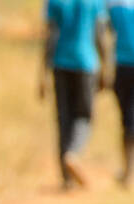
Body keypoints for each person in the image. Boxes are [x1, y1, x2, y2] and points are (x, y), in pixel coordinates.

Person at [41, 0, 110, 188]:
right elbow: (100, 35)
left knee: (63, 118)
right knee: (84, 116)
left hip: (60, 64)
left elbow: (50, 36)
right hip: (87, 64)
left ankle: (66, 179)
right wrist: (106, 67)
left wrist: (42, 73)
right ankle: (74, 153)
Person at [108, 1, 134, 182]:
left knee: (127, 119)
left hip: (122, 66)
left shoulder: (112, 4)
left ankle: (128, 171)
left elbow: (103, 31)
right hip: (123, 64)